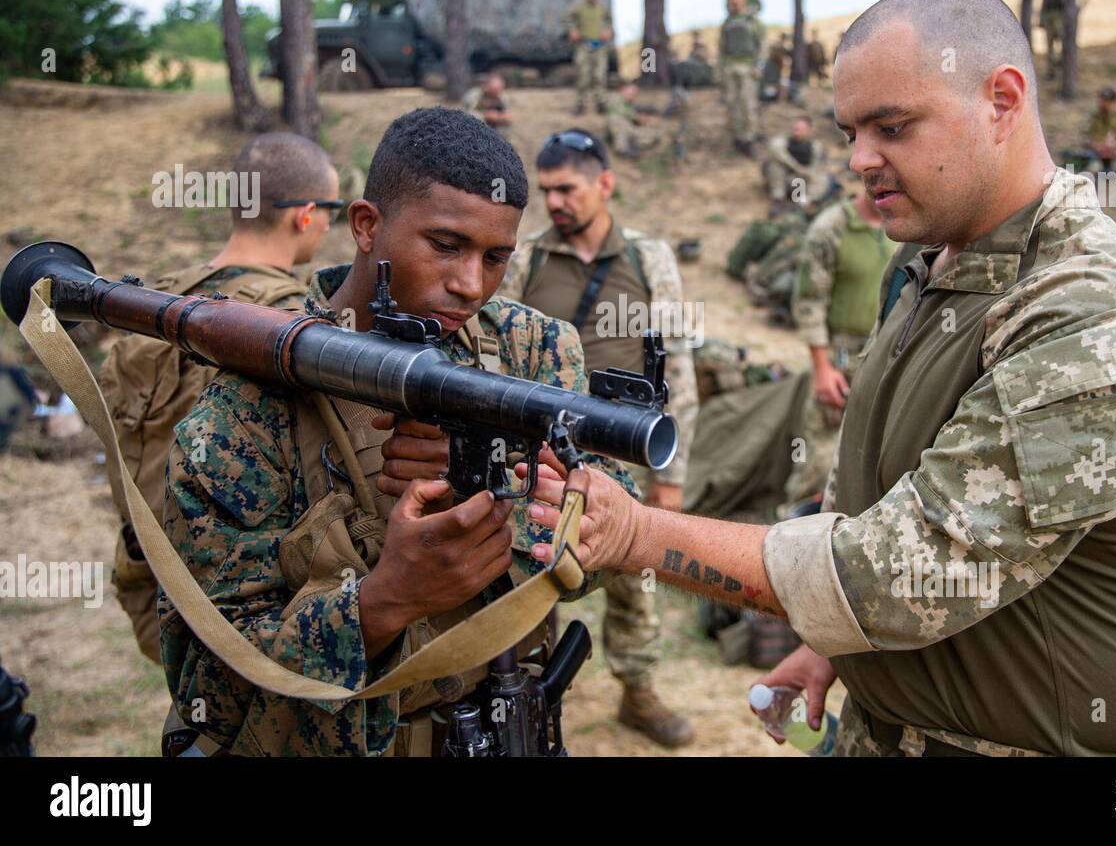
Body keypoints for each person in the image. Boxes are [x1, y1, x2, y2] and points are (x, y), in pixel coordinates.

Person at [520, 0, 1116, 758]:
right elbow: (888, 486)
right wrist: (834, 646)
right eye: (850, 130)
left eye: (892, 126)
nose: (858, 160)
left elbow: (906, 572)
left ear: (1002, 102)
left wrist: (638, 530)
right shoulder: (930, 265)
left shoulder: (1096, 312)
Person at [158, 108, 636, 756]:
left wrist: (499, 486)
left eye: (496, 257)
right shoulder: (254, 391)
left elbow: (619, 537)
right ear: (365, 224)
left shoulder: (531, 348)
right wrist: (384, 602)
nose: (470, 284)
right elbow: (211, 684)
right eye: (445, 245)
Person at [495, 128, 698, 747]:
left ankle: (638, 692)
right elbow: (494, 355)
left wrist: (671, 475)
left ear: (604, 184)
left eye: (568, 188)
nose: (556, 201)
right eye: (547, 190)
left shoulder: (648, 257)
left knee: (636, 574)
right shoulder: (525, 257)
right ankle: (532, 697)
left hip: (626, 446)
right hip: (543, 451)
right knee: (534, 571)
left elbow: (679, 367)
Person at [100, 132, 335, 665]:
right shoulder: (293, 329)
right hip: (253, 608)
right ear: (305, 215)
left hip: (151, 584)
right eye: (331, 211)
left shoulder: (144, 306)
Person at [782, 189, 896, 509]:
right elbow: (809, 301)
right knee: (818, 455)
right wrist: (822, 368)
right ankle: (796, 523)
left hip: (888, 351)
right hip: (840, 355)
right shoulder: (832, 228)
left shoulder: (904, 228)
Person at [719, 0, 764, 158]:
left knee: (748, 104)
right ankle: (737, 138)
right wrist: (720, 71)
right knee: (733, 104)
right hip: (730, 67)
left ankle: (749, 139)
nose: (734, 0)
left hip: (748, 68)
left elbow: (762, 45)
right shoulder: (727, 22)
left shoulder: (753, 20)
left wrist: (758, 66)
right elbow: (721, 49)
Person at [762, 115, 835, 208]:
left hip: (801, 182)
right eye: (795, 128)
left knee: (823, 177)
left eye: (800, 129)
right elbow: (775, 148)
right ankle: (778, 198)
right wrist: (796, 167)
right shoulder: (784, 141)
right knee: (774, 164)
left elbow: (817, 167)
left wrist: (807, 172)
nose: (796, 132)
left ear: (808, 130)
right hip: (784, 180)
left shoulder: (815, 146)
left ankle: (803, 202)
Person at [566, 0, 614, 116]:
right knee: (583, 76)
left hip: (600, 46)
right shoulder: (580, 8)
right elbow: (568, 20)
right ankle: (580, 105)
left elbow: (610, 22)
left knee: (600, 76)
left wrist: (608, 31)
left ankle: (601, 104)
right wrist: (572, 30)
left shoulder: (602, 9)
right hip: (584, 45)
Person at [1082, 87, 1116, 173]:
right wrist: (1095, 145)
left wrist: (1114, 147)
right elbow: (1084, 136)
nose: (1101, 104)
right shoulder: (1094, 116)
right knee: (1092, 170)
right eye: (1100, 100)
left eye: (1104, 101)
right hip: (1095, 153)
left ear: (1113, 102)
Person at [604, 83, 661, 158]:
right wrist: (636, 117)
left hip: (629, 129)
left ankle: (634, 144)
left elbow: (634, 116)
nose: (632, 96)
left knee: (653, 134)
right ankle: (622, 149)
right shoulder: (615, 97)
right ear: (623, 90)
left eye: (634, 94)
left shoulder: (629, 105)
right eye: (630, 93)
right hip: (619, 127)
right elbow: (618, 109)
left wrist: (640, 119)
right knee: (618, 122)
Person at [462, 74, 512, 139]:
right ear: (487, 86)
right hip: (475, 129)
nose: (498, 92)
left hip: (496, 131)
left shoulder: (501, 97)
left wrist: (503, 117)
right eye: (495, 90)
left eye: (500, 89)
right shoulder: (474, 95)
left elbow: (507, 112)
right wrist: (485, 116)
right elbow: (466, 114)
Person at [1038, 0, 1065, 80]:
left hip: (1060, 19)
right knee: (1050, 48)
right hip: (1050, 19)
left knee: (1063, 45)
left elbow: (1067, 1)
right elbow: (1044, 4)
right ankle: (1051, 71)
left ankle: (1061, 66)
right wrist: (1041, 20)